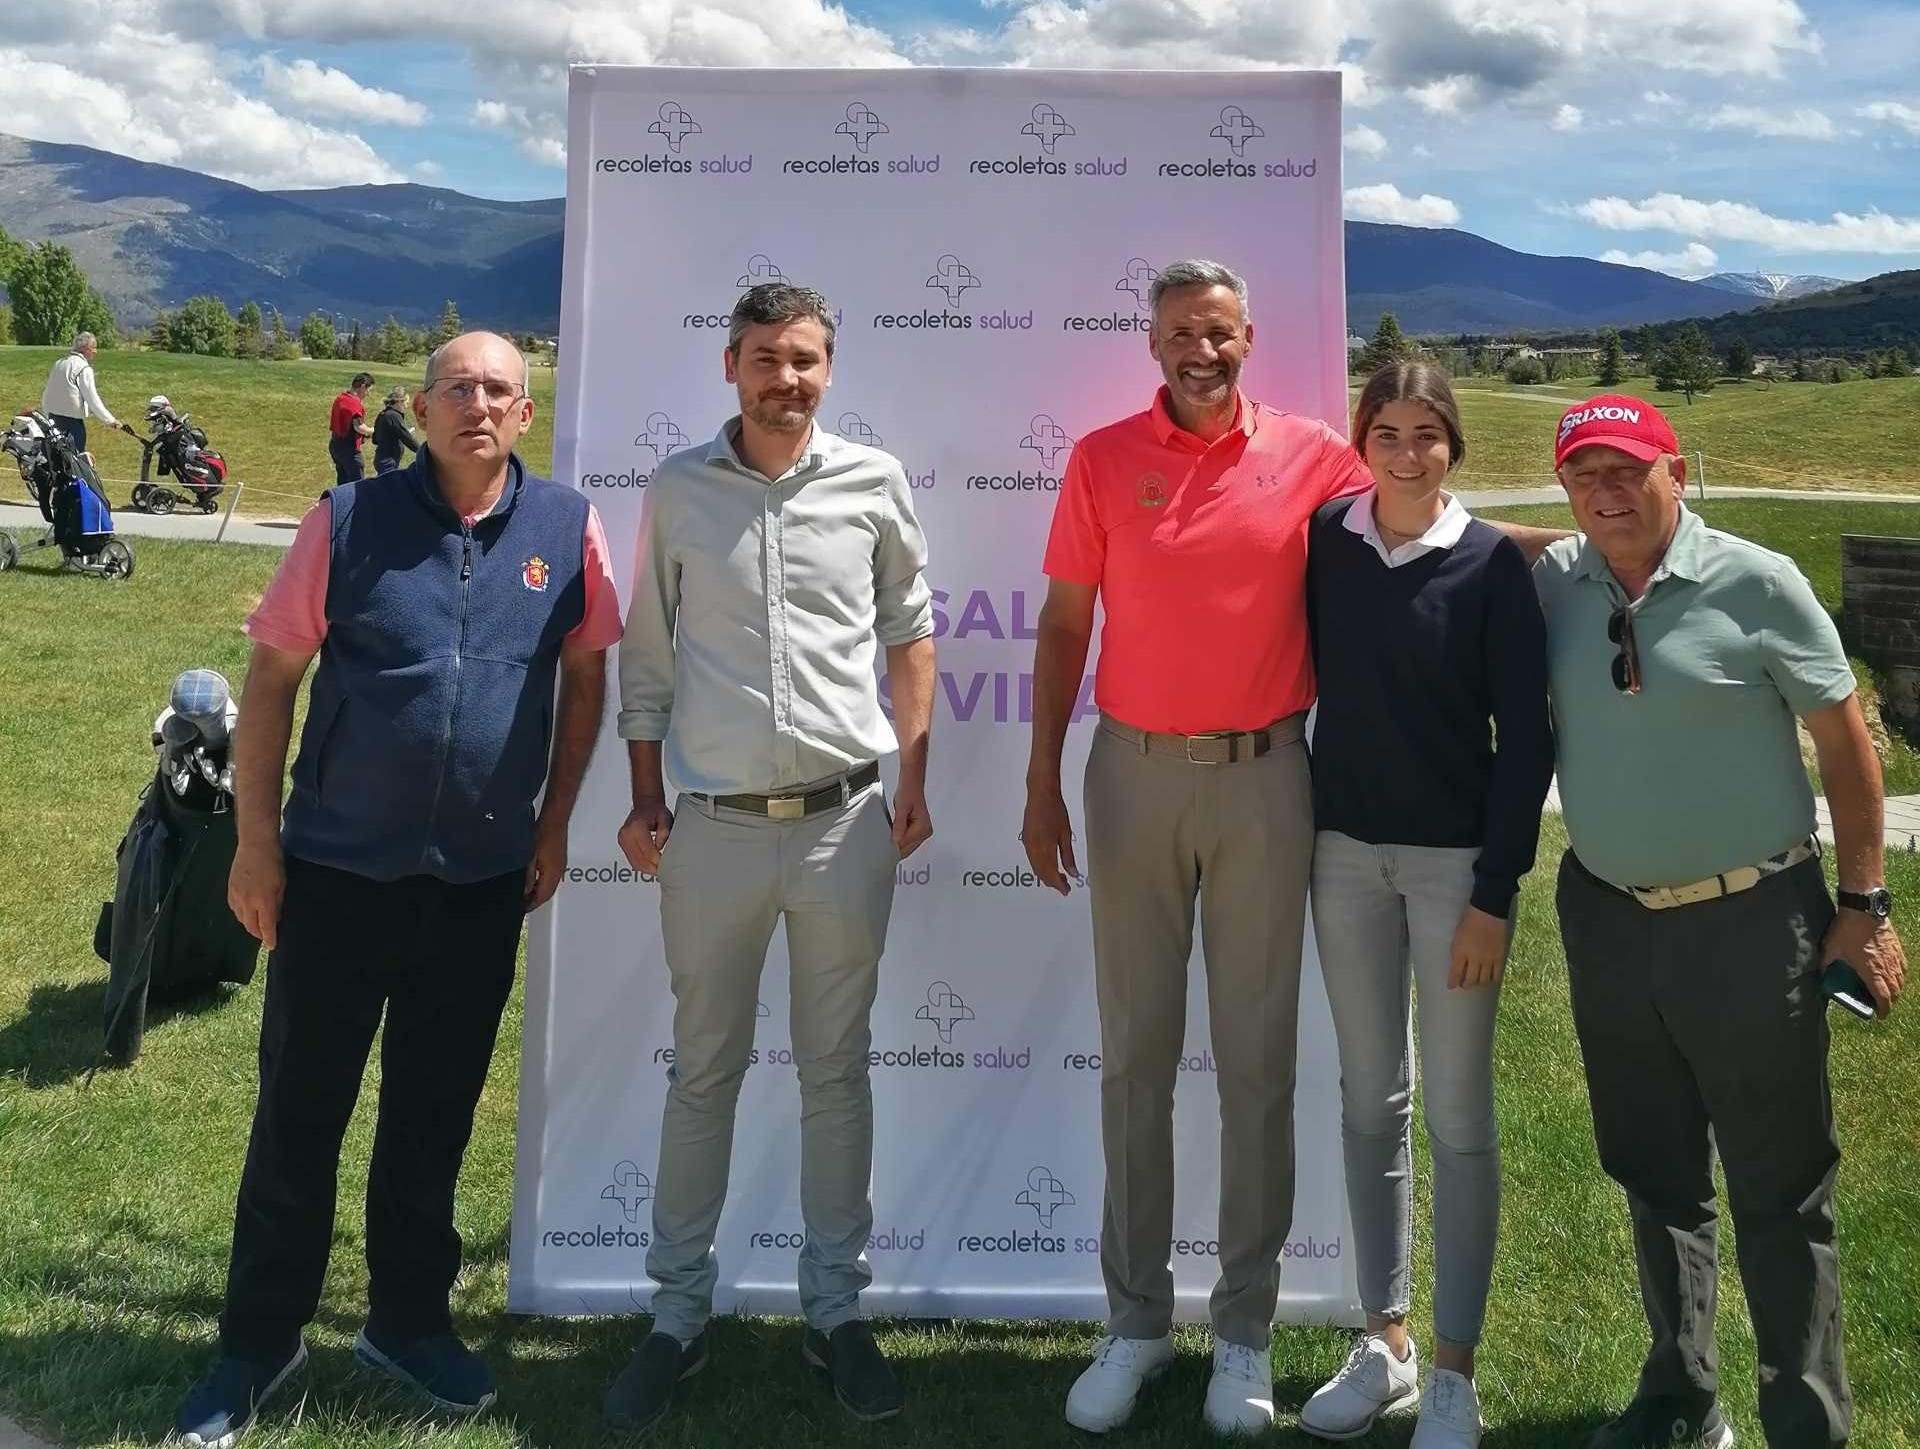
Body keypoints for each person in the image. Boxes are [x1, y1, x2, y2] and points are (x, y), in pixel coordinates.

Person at [172, 331, 623, 1448]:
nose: (479, 404)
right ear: (421, 411)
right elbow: (272, 680)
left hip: (477, 882)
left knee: (433, 1116)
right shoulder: (347, 519)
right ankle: (258, 1340)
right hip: (336, 874)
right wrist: (255, 845)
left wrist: (553, 823)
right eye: (457, 388)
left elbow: (584, 681)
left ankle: (408, 1323)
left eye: (500, 390)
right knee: (299, 1114)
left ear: (528, 413)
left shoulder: (568, 530)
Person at [1021, 257, 1375, 1436]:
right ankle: (1134, 1324)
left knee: (1258, 1065)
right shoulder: (1101, 460)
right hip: (1130, 778)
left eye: (1218, 331)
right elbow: (1064, 624)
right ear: (1154, 341)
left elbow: (1423, 530)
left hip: (1268, 779)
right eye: (1181, 331)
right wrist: (1040, 781)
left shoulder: (1319, 458)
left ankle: (1243, 1332)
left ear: (1247, 339)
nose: (1201, 350)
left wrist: (1572, 543)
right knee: (1136, 1060)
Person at [1536, 394, 1906, 1449]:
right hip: (1608, 920)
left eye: (1628, 470)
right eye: (1583, 476)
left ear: (1676, 471)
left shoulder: (1758, 580)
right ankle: (1680, 1397)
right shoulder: (1559, 580)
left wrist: (1864, 905)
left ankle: (1807, 1422)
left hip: (1753, 920)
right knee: (1652, 1171)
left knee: (1780, 1184)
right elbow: (1463, 535)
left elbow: (1845, 745)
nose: (1607, 493)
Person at [605, 282, 936, 1433]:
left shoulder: (873, 481)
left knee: (837, 1073)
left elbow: (911, 631)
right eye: (764, 358)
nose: (784, 378)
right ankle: (676, 1317)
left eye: (803, 359)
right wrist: (643, 797)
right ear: (731, 367)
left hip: (847, 823)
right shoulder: (678, 490)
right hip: (715, 831)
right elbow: (648, 658)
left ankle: (835, 1313)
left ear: (828, 369)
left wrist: (915, 779)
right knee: (704, 1072)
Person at [1296, 363, 1553, 1449]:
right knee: (1370, 1100)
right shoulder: (1326, 538)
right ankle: (1385, 1340)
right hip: (1343, 857)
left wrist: (1496, 893)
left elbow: (1527, 742)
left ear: (1455, 444)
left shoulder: (1490, 563)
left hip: (1457, 872)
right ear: (1362, 441)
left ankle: (1454, 1371)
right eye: (1387, 433)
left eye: (1426, 434)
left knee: (1457, 1112)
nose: (1406, 454)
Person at [40, 331, 132, 453]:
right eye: (93, 348)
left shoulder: (59, 363)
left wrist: (47, 415)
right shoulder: (84, 368)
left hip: (53, 418)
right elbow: (92, 399)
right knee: (76, 458)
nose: (95, 351)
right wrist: (111, 420)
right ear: (85, 349)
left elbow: (48, 392)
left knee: (55, 457)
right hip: (72, 424)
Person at [328, 372, 376, 485]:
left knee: (343, 482)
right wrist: (373, 430)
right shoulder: (353, 402)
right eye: (369, 390)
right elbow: (358, 427)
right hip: (349, 450)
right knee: (357, 485)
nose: (368, 394)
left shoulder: (341, 398)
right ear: (363, 386)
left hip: (335, 445)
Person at [372, 386, 421, 473]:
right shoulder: (393, 416)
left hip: (382, 458)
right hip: (388, 461)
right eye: (406, 403)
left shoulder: (383, 414)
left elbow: (375, 439)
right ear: (399, 401)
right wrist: (422, 451)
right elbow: (407, 438)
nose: (406, 406)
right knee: (390, 482)